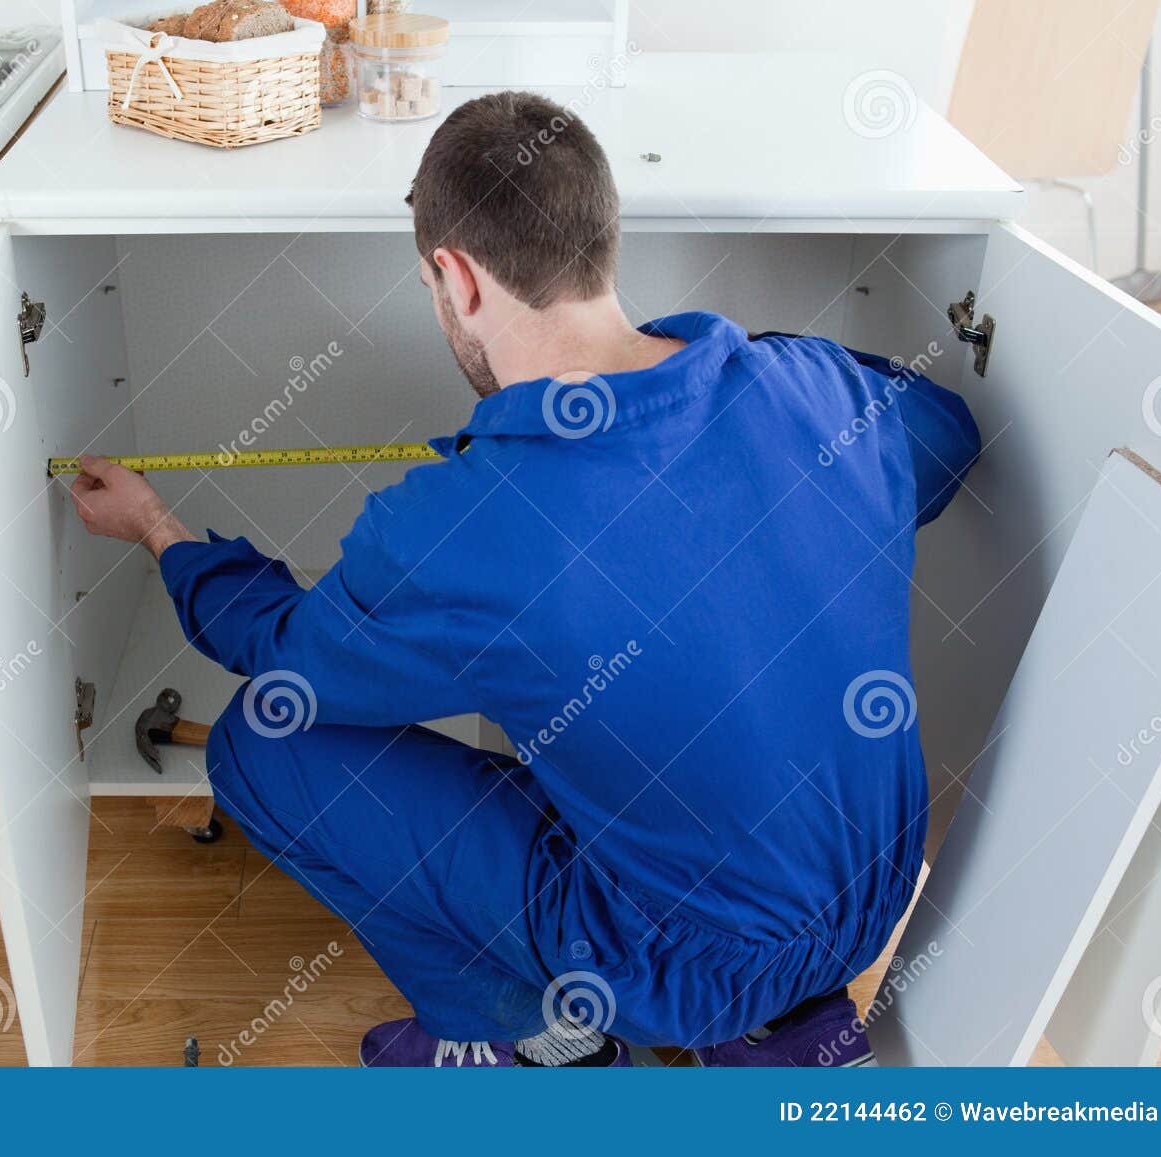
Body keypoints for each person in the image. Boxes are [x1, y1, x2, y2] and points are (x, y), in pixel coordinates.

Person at [70, 91, 980, 1068]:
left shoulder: (467, 527)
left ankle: (535, 1038)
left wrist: (157, 528)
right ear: (602, 241)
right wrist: (752, 408)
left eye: (428, 284)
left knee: (260, 740)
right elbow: (947, 434)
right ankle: (780, 1027)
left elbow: (284, 653)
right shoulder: (815, 388)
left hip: (691, 961)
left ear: (455, 277)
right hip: (877, 895)